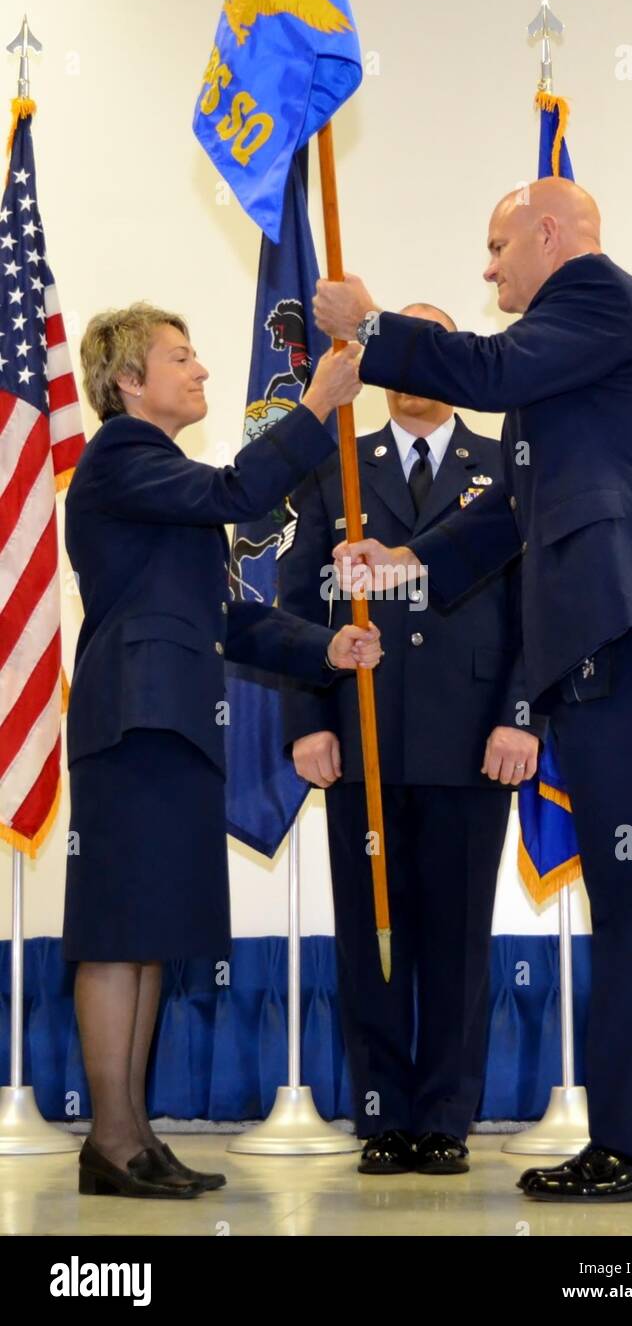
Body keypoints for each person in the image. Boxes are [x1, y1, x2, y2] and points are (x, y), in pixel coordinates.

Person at [311, 177, 632, 1203]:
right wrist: (402, 563)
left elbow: (487, 371)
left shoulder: (596, 296)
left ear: (552, 235)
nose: (490, 268)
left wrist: (370, 326)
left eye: (498, 247)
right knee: (628, 904)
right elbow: (506, 510)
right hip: (604, 643)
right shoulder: (568, 362)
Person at [63, 303, 381, 1199]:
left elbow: (229, 616)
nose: (201, 370)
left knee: (147, 931)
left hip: (168, 721)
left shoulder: (156, 475)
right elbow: (240, 493)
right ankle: (112, 1141)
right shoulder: (123, 456)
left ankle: (131, 1137)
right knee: (118, 932)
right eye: (180, 357)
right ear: (130, 383)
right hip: (136, 722)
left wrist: (320, 647)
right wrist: (314, 404)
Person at [279, 303, 540, 1175]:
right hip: (362, 738)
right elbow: (294, 609)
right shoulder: (337, 470)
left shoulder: (506, 467)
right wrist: (308, 721)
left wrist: (520, 713)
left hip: (473, 738)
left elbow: (532, 607)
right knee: (371, 933)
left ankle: (446, 1119)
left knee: (459, 938)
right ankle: (383, 1115)